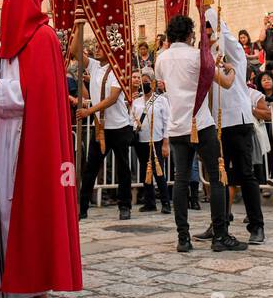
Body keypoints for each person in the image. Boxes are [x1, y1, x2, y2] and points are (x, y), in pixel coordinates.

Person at [0, 0, 82, 298]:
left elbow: (36, 94)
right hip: (7, 136)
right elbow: (0, 84)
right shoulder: (14, 42)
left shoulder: (43, 38)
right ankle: (16, 292)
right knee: (4, 215)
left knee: (28, 213)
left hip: (28, 140)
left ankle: (41, 296)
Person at [154, 14, 245, 253]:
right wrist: (232, 70)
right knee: (217, 178)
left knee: (181, 180)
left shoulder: (161, 59)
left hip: (177, 126)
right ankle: (220, 235)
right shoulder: (198, 56)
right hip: (201, 124)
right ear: (189, 35)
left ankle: (183, 238)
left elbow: (162, 81)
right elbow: (225, 83)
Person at [201, 7, 265, 245]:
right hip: (215, 123)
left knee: (245, 175)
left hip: (237, 120)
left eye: (210, 30)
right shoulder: (204, 56)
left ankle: (256, 226)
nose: (207, 35)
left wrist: (208, 9)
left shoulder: (234, 52)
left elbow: (224, 37)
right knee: (218, 177)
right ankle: (219, 223)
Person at [69, 34, 133, 221]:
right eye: (96, 45)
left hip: (119, 126)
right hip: (101, 127)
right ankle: (82, 208)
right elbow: (74, 51)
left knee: (123, 167)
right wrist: (78, 25)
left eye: (101, 46)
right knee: (91, 168)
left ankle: (125, 206)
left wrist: (89, 111)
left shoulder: (118, 69)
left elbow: (112, 98)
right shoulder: (94, 66)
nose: (97, 48)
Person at [130, 69, 171, 213]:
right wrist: (137, 125)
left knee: (158, 172)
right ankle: (149, 202)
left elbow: (167, 121)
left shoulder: (161, 100)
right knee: (144, 171)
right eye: (142, 82)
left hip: (157, 140)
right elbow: (132, 119)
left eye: (146, 82)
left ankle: (166, 202)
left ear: (152, 83)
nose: (144, 85)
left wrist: (166, 143)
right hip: (141, 140)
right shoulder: (136, 102)